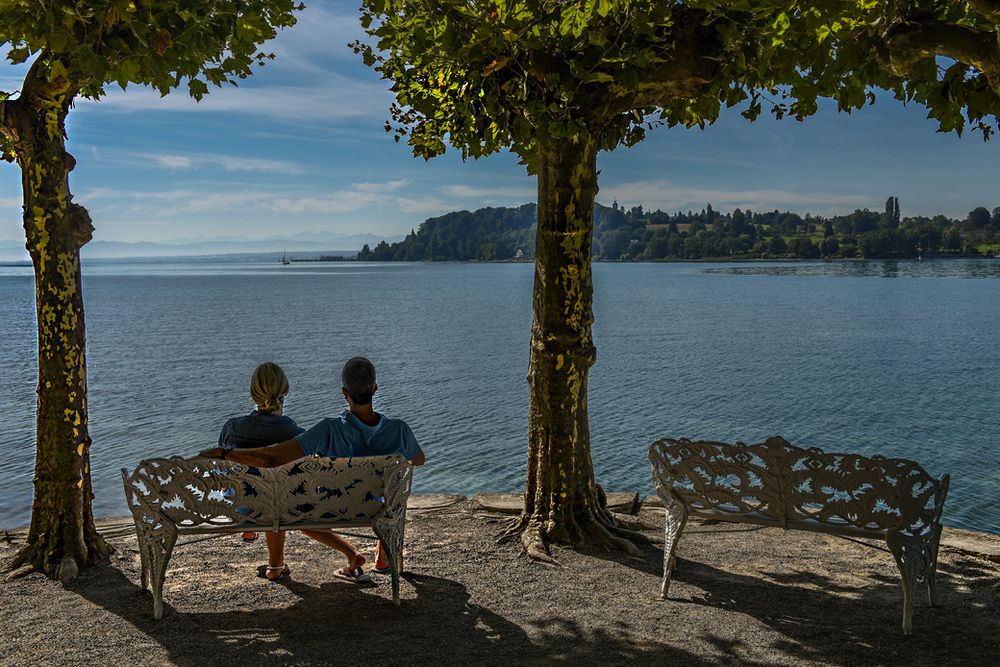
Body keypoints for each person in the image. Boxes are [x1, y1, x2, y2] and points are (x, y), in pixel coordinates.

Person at [200, 356, 426, 581]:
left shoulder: (327, 431)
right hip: (378, 509)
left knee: (284, 502)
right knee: (389, 495)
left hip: (331, 510)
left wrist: (223, 453)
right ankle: (384, 555)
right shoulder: (400, 431)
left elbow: (271, 459)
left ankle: (273, 556)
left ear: (344, 393)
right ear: (375, 389)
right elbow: (418, 460)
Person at [218, 362, 304, 544]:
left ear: (253, 394)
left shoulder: (232, 429)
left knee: (259, 491)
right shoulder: (298, 435)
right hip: (285, 506)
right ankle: (275, 566)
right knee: (277, 494)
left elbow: (221, 472)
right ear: (285, 391)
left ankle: (248, 527)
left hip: (242, 506)